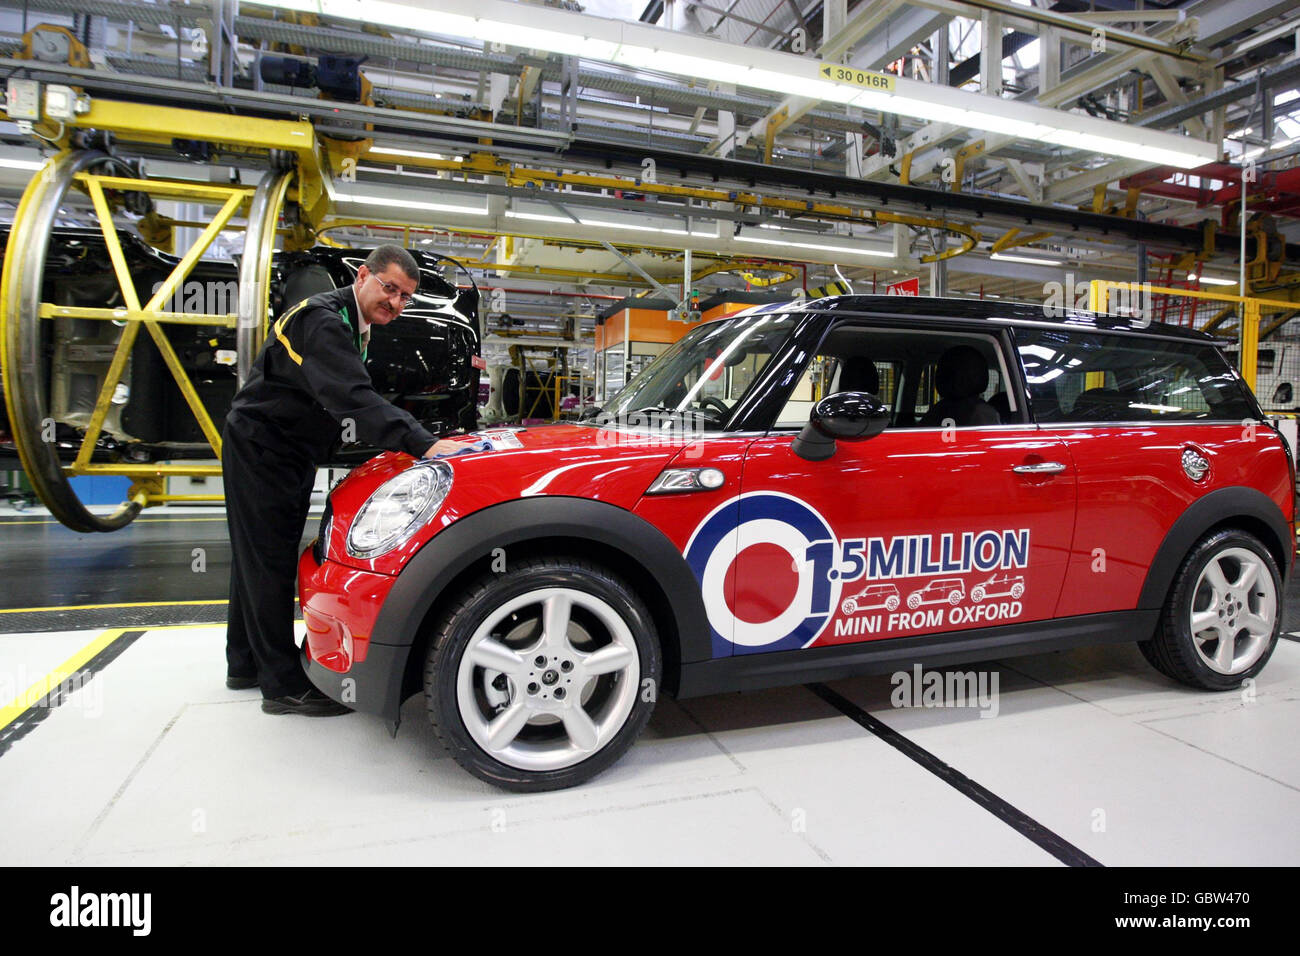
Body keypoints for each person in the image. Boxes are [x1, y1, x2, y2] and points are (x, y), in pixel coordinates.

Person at [222, 244, 463, 716]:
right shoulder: (324, 321)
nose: (395, 302)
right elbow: (353, 397)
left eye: (405, 297)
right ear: (362, 276)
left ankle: (245, 661)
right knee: (269, 560)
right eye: (389, 288)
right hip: (264, 448)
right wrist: (423, 444)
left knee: (255, 556)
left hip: (280, 446)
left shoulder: (352, 323)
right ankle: (282, 685)